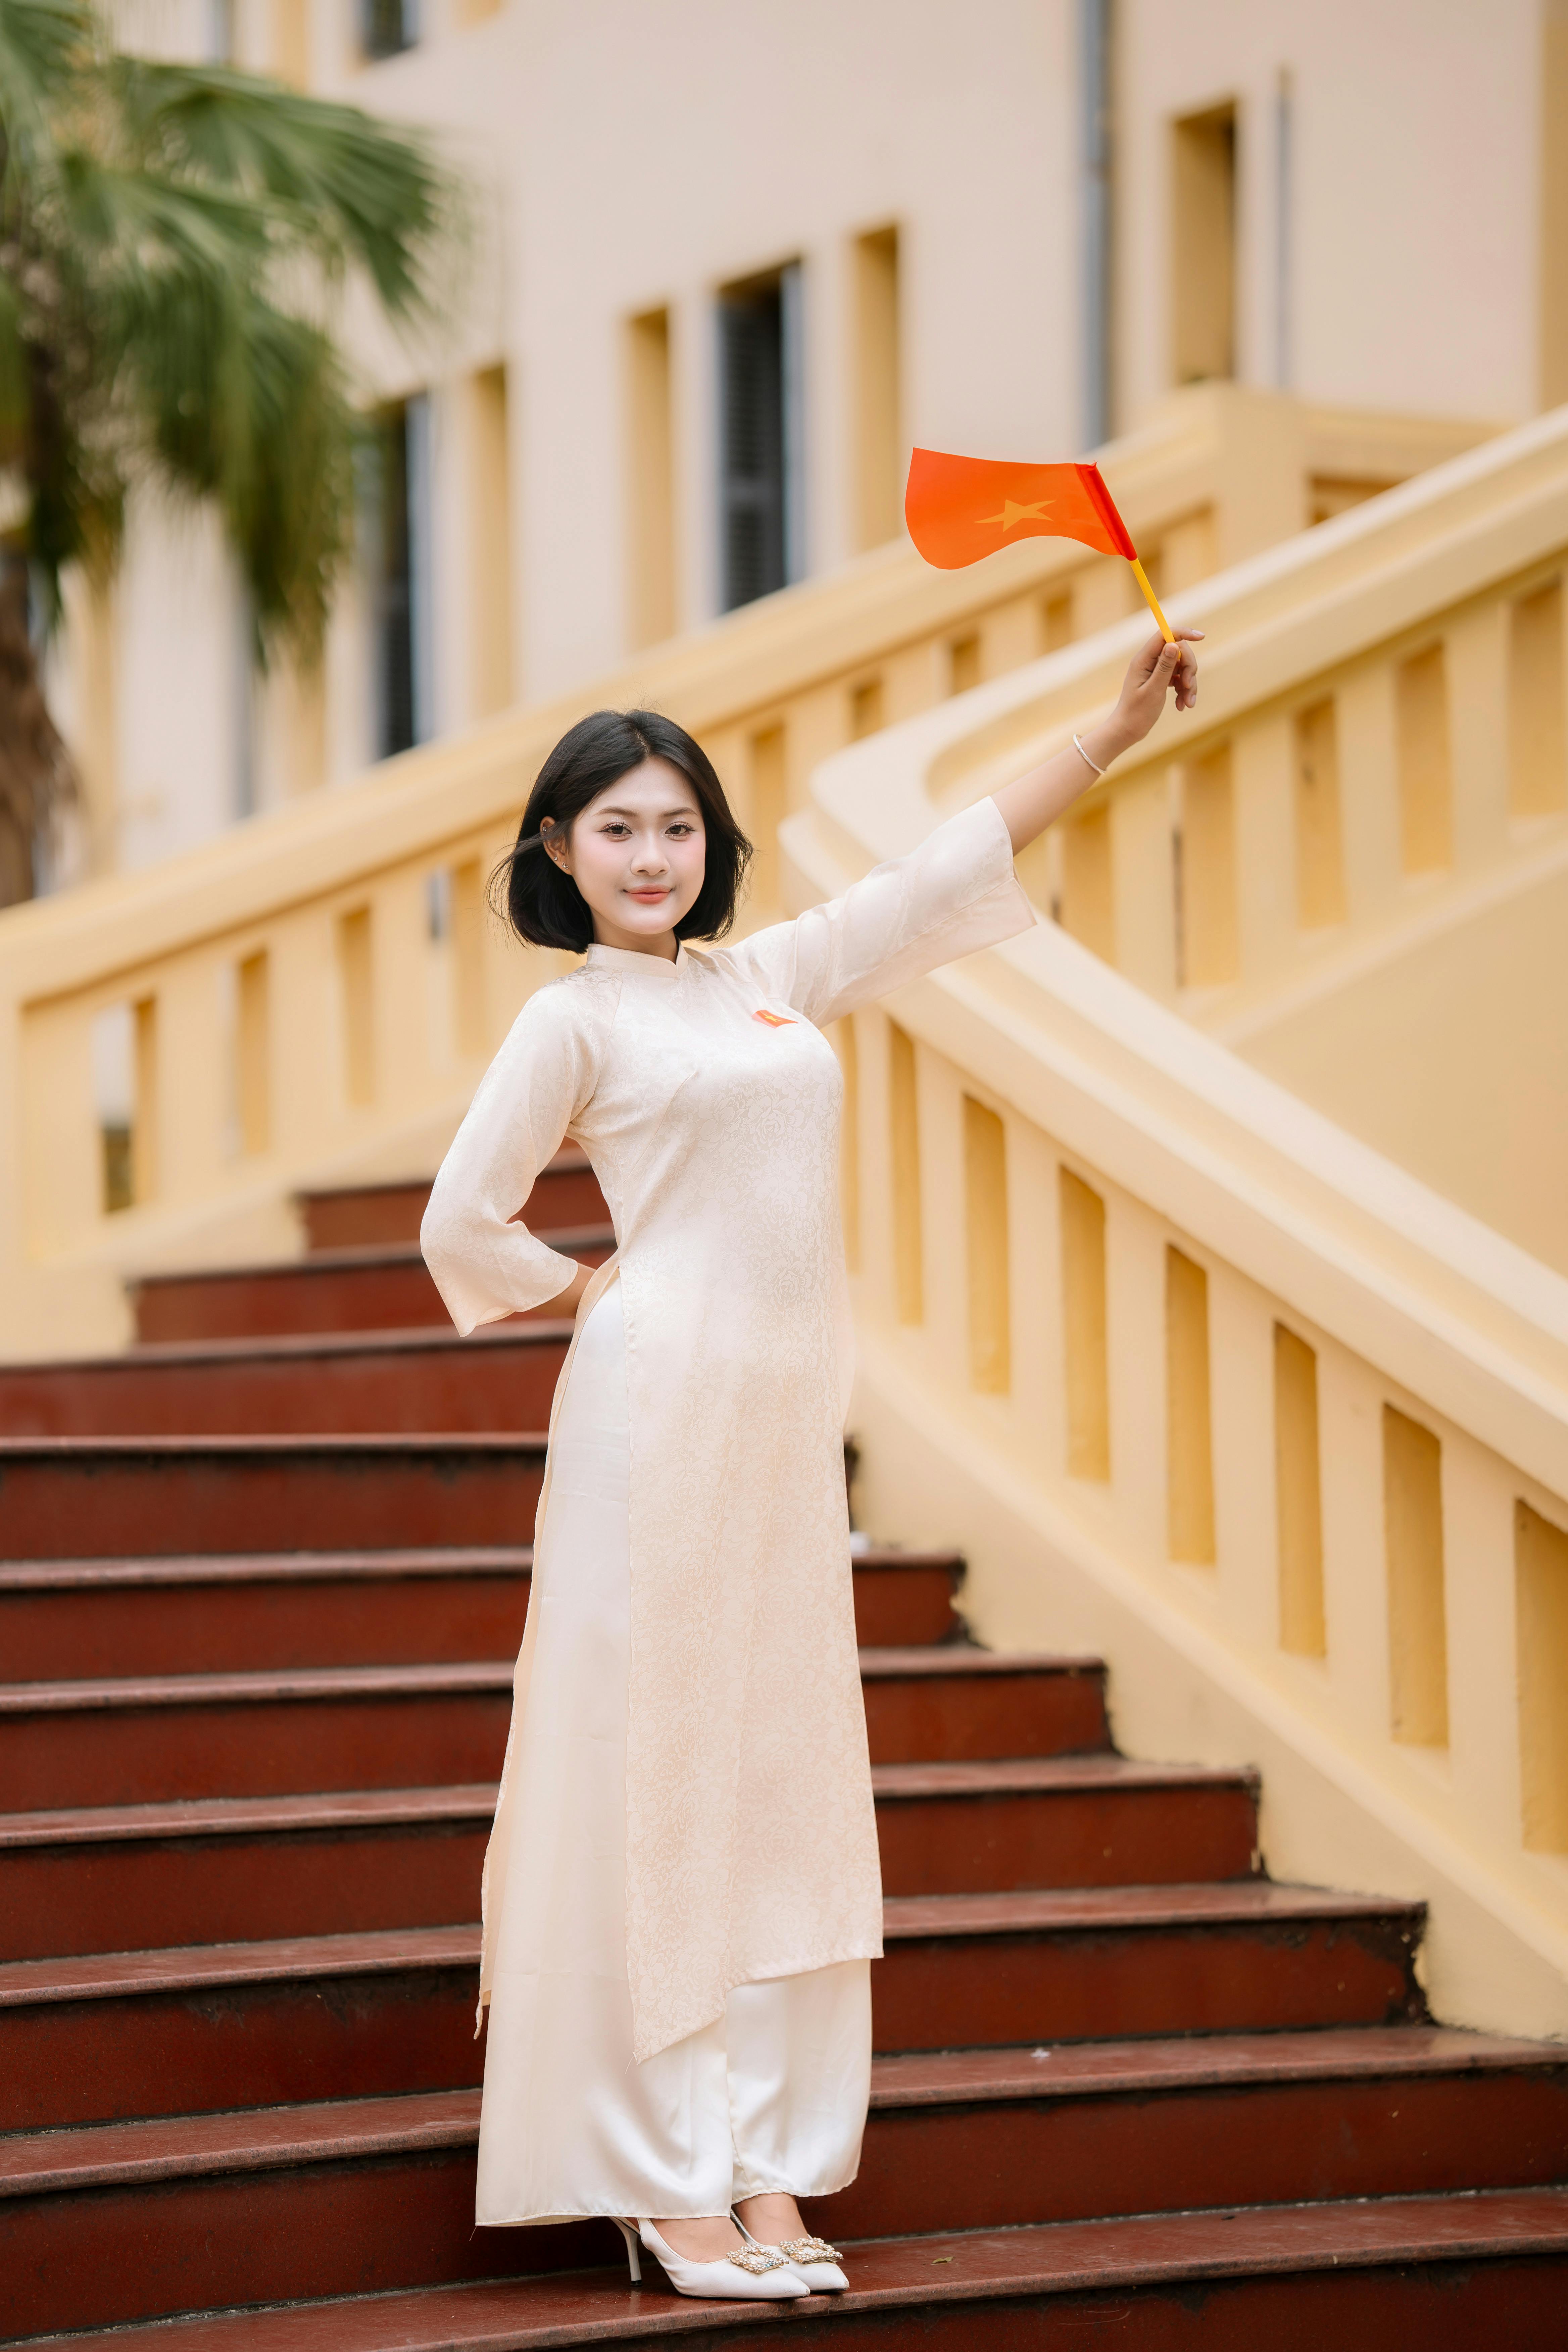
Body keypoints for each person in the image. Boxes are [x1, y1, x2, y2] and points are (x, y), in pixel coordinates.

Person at [420, 624, 1200, 2302]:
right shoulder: (575, 1024)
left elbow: (939, 875)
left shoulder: (768, 976)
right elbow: (458, 1216)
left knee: (775, 1776)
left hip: (779, 1437)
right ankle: (657, 2178)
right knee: (659, 1770)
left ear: (713, 844)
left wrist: (1113, 731)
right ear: (561, 853)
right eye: (615, 827)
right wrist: (587, 1287)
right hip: (650, 1421)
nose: (650, 853)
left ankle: (762, 2161)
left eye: (676, 823)